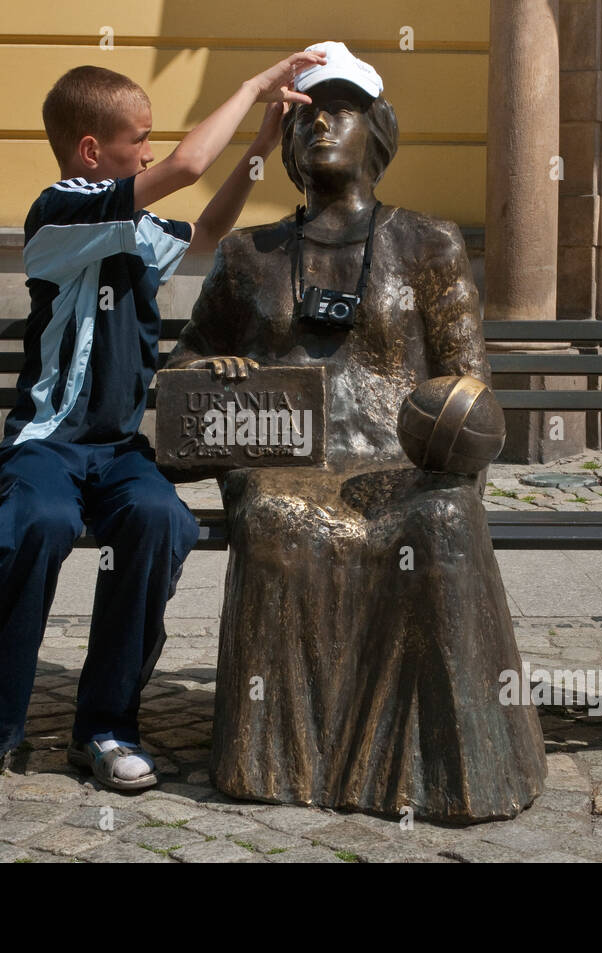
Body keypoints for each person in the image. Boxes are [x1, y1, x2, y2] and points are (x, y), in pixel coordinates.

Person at [0, 49, 328, 802]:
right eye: (137, 138)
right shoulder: (59, 214)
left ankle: (106, 727)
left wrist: (258, 149)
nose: (148, 150)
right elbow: (183, 167)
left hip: (116, 452)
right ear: (92, 152)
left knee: (159, 519)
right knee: (38, 524)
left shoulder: (135, 230)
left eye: (149, 138)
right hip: (45, 444)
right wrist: (249, 86)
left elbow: (207, 233)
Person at [165, 42, 547, 823]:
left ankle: (456, 769)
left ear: (380, 129)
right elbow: (185, 365)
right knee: (277, 515)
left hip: (403, 460)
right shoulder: (248, 255)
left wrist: (461, 435)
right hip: (282, 458)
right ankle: (281, 763)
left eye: (343, 108)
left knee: (442, 516)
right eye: (305, 113)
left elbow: (470, 382)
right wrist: (221, 371)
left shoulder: (429, 243)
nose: (322, 125)